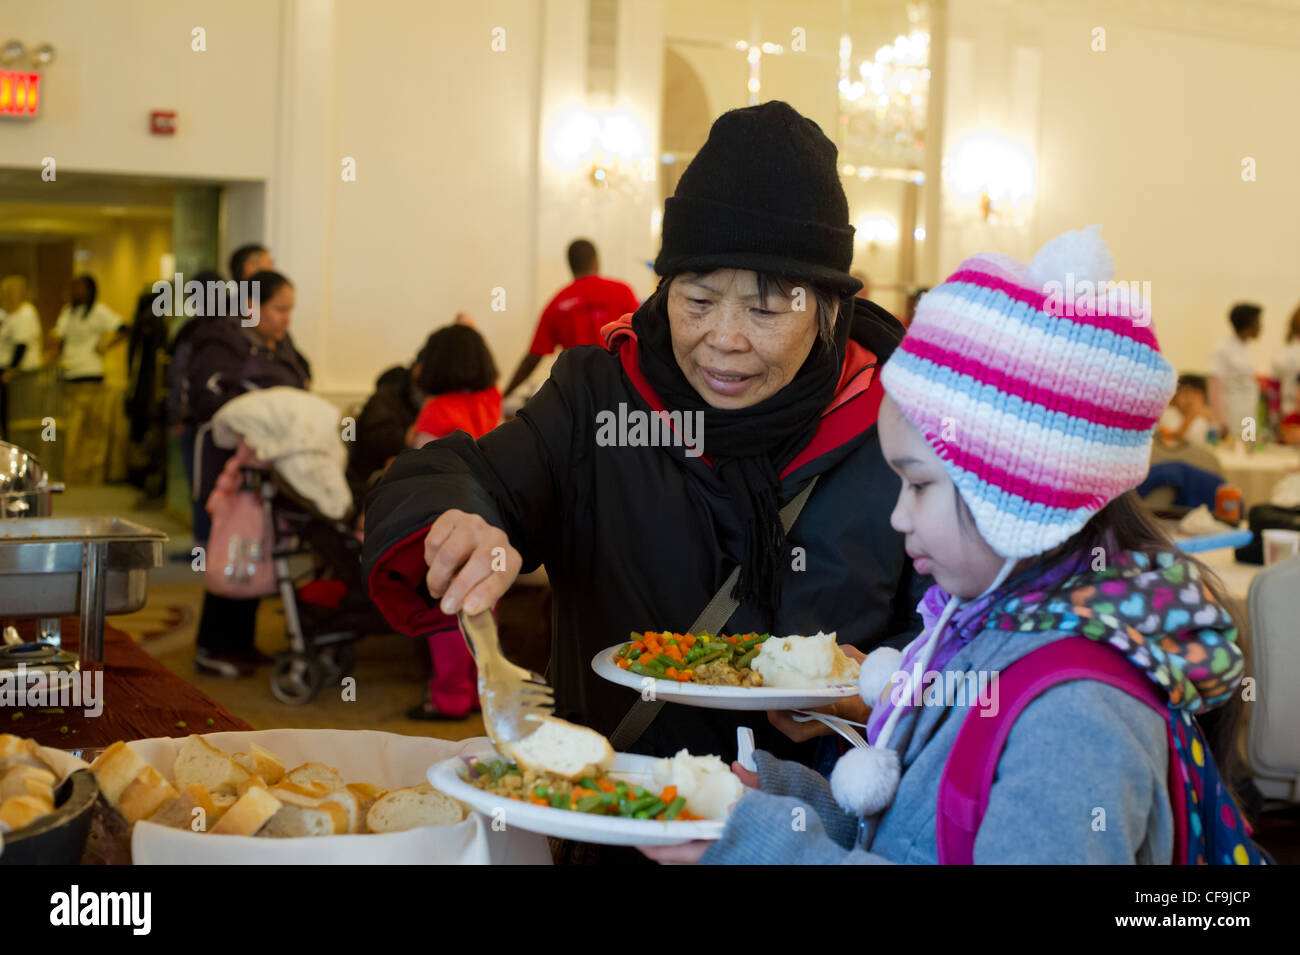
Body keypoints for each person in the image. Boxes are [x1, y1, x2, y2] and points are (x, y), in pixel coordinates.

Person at [645, 228, 1252, 864]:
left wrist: (766, 853)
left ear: (1016, 494)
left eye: (918, 484)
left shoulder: (1076, 716)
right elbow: (920, 834)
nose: (899, 516)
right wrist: (783, 801)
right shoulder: (979, 633)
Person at [363, 101, 925, 771]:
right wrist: (457, 520)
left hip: (807, 831)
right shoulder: (599, 397)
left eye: (766, 307)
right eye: (697, 299)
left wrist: (887, 694)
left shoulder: (895, 431)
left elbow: (962, 639)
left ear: (830, 308)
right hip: (611, 814)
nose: (724, 338)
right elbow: (465, 476)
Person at [187, 271, 311, 676]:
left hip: (265, 472)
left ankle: (240, 642)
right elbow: (210, 400)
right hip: (226, 467)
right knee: (228, 553)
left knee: (256, 553)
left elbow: (299, 385)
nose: (286, 319)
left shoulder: (278, 345)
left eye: (290, 310)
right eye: (279, 309)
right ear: (251, 306)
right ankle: (212, 647)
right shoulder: (219, 343)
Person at [402, 322, 502, 719]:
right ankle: (482, 693)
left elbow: (421, 467)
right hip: (490, 515)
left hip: (446, 521)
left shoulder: (436, 409)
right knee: (482, 607)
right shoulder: (490, 399)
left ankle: (449, 698)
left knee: (447, 609)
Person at [502, 239, 640, 399]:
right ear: (596, 261)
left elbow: (532, 359)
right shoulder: (622, 291)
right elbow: (643, 338)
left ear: (570, 265)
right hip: (621, 389)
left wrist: (505, 394)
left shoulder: (557, 303)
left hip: (578, 395)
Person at [50, 276, 128, 485]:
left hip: (92, 375)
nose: (76, 292)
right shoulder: (69, 312)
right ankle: (73, 475)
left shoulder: (99, 311)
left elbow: (123, 329)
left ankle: (93, 476)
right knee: (73, 431)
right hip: (71, 376)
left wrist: (105, 346)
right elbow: (58, 338)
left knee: (94, 430)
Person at [167, 269, 225, 541]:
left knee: (201, 484)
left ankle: (204, 544)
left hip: (198, 420)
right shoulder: (236, 327)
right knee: (220, 484)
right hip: (224, 419)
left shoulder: (192, 332)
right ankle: (214, 544)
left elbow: (180, 377)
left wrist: (176, 415)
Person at [1209, 302, 1262, 442]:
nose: (1261, 327)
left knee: (1248, 453)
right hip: (1231, 416)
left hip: (1248, 414)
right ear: (1248, 324)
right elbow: (1214, 386)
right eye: (1258, 322)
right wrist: (1221, 421)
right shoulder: (1223, 349)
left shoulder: (1246, 349)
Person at [0, 274, 44, 441]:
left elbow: (21, 344)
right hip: (10, 373)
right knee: (7, 422)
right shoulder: (10, 313)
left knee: (19, 421)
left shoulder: (26, 312)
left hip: (21, 375)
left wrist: (11, 370)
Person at [1157, 374, 1212, 445]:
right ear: (1176, 396)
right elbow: (1172, 442)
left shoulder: (1206, 418)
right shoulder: (1167, 414)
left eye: (1195, 393)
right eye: (1186, 392)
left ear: (1203, 398)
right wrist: (1190, 418)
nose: (1190, 398)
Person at [1271, 305, 1300, 420]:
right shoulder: (1285, 352)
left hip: (1286, 410)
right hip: (1288, 411)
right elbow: (1274, 386)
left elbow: (1274, 386)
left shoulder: (1283, 351)